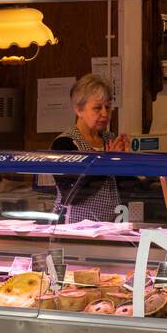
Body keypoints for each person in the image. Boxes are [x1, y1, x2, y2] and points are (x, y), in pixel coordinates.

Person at [50, 74, 130, 222]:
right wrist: (107, 163)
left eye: (108, 107)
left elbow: (123, 186)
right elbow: (72, 194)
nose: (105, 113)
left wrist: (126, 161)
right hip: (74, 228)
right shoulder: (65, 143)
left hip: (109, 226)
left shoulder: (109, 139)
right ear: (78, 110)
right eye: (97, 108)